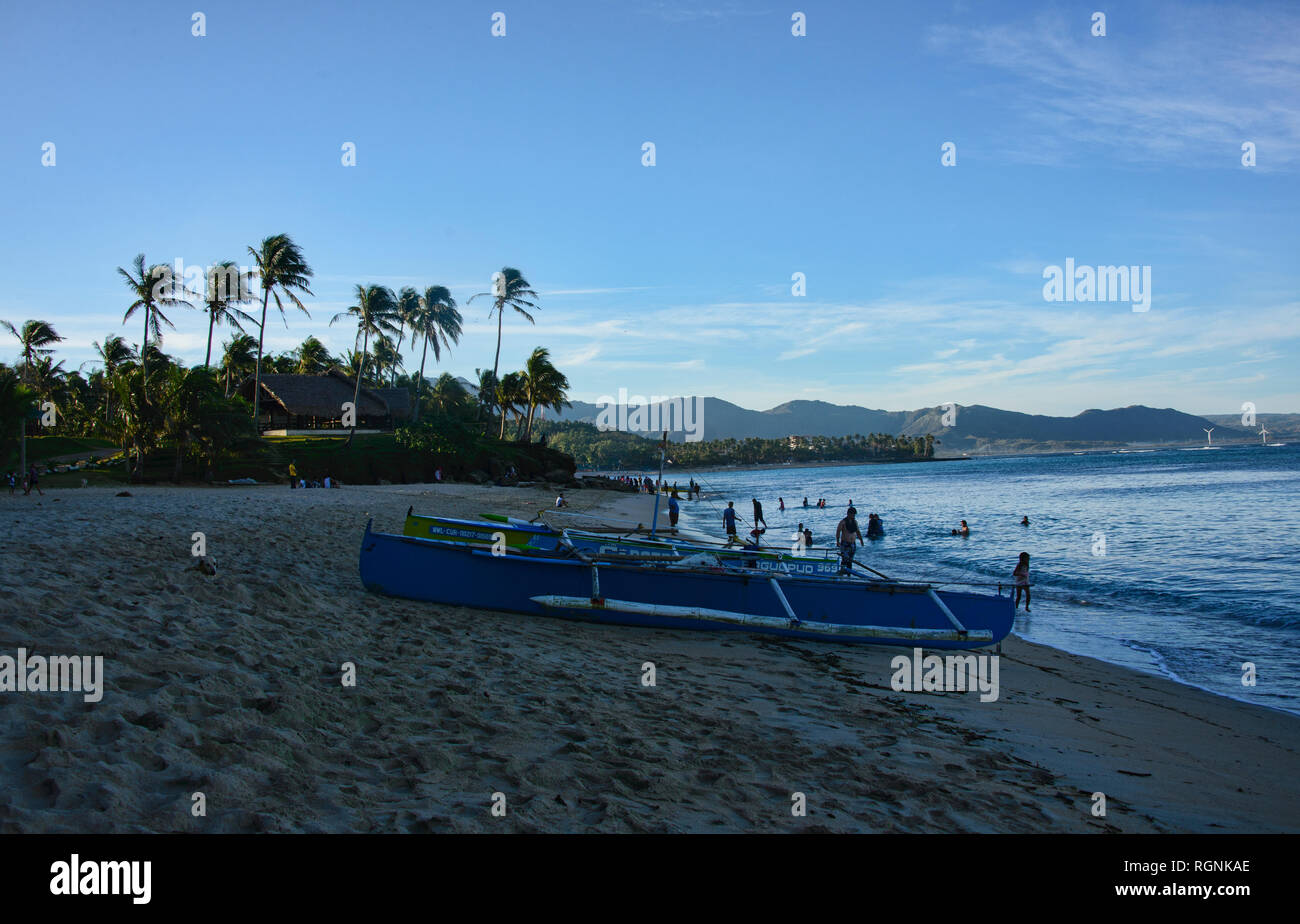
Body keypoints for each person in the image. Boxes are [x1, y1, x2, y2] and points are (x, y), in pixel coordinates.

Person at [835, 506, 863, 575]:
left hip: (853, 544)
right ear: (848, 514)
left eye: (854, 514)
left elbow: (858, 531)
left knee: (850, 561)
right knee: (844, 559)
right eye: (852, 514)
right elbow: (838, 531)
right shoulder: (843, 522)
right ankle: (841, 573)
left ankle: (849, 575)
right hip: (845, 543)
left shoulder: (855, 522)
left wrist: (861, 540)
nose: (853, 515)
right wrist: (837, 541)